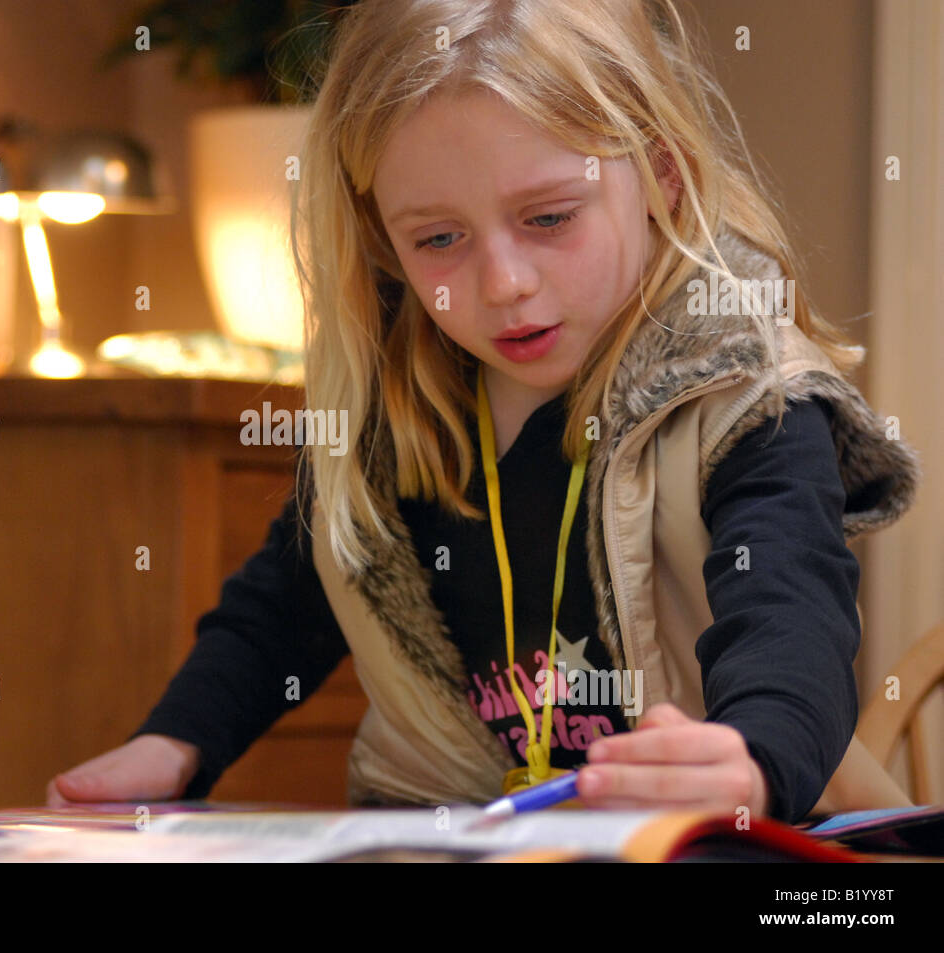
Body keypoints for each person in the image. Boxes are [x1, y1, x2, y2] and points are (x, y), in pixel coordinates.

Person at [47, 0, 920, 824]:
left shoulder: (745, 396)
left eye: (547, 217)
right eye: (438, 239)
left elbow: (793, 615)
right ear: (379, 236)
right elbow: (291, 593)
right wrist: (175, 741)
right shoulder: (396, 405)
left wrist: (752, 760)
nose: (503, 283)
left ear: (664, 177)